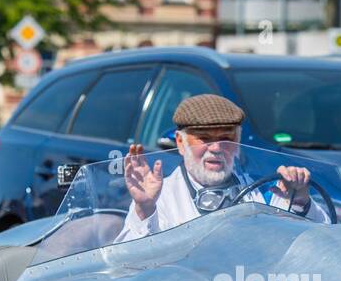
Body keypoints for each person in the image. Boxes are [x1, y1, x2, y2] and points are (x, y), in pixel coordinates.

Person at [116, 94, 327, 243]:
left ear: (239, 141)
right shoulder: (161, 195)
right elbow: (128, 264)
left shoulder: (260, 188)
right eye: (205, 139)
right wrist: (144, 208)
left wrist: (300, 199)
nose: (216, 148)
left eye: (226, 138)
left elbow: (307, 244)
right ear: (181, 143)